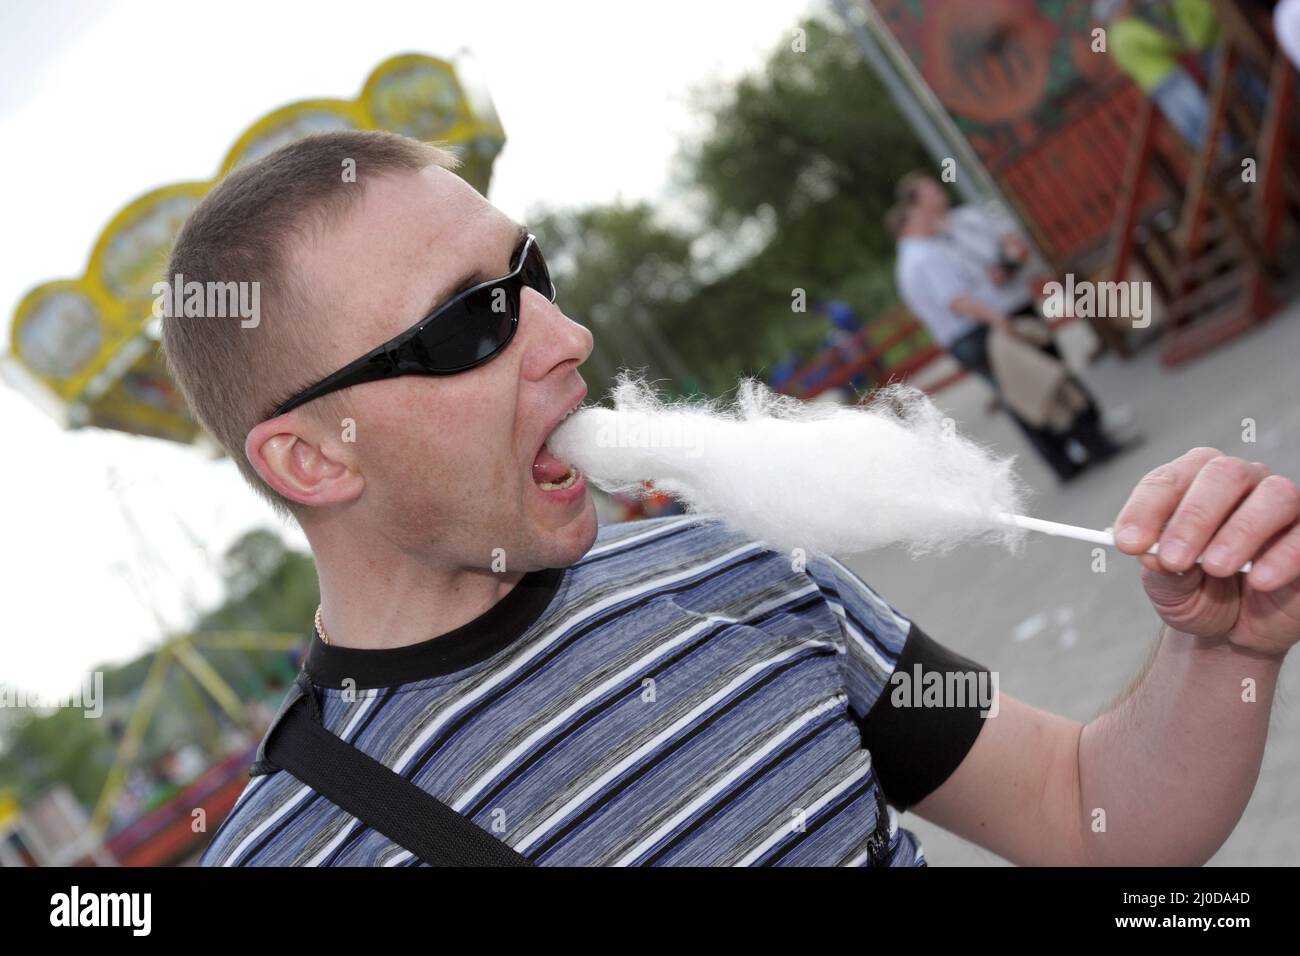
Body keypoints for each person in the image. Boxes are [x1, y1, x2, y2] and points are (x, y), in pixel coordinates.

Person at [164, 130, 1300, 866]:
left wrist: (1221, 655)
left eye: (534, 277)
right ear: (312, 459)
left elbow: (1083, 811)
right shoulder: (289, 848)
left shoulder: (741, 567)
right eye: (472, 321)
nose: (568, 337)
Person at [891, 198, 1128, 482]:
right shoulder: (925, 256)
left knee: (1019, 395)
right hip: (978, 331)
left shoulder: (908, 261)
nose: (930, 219)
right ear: (908, 222)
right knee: (1041, 383)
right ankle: (1092, 444)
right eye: (922, 215)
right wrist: (995, 318)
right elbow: (955, 299)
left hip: (967, 336)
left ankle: (1064, 461)